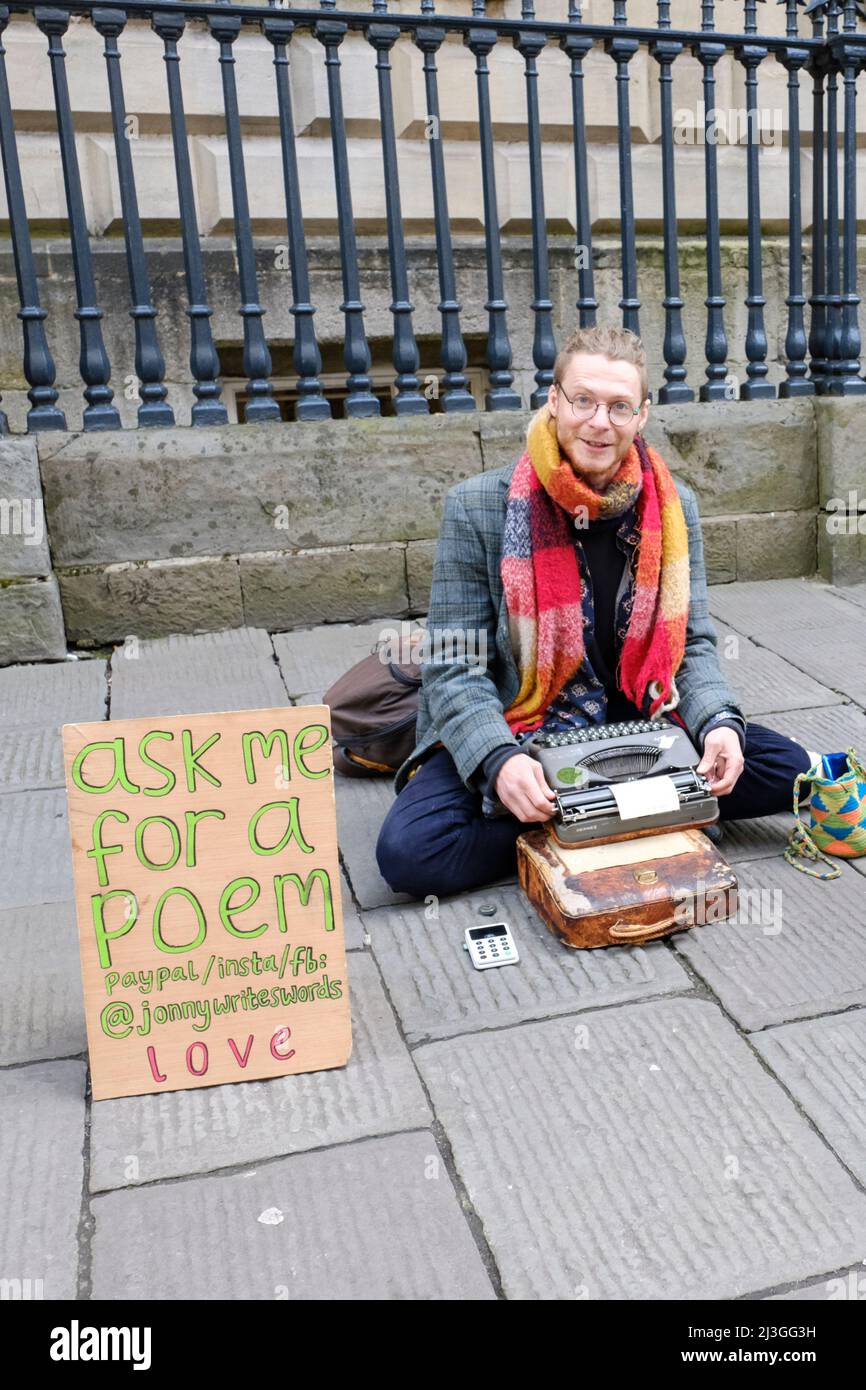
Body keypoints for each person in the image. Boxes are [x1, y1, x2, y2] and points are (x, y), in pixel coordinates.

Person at [376, 325, 815, 900]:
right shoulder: (478, 506)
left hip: (635, 726)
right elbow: (454, 668)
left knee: (793, 770)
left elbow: (694, 646)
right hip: (523, 726)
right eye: (582, 400)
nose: (598, 422)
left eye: (618, 406)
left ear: (643, 415)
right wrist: (499, 761)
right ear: (554, 401)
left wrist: (719, 727)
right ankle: (634, 813)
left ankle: (589, 818)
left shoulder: (673, 507)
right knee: (411, 853)